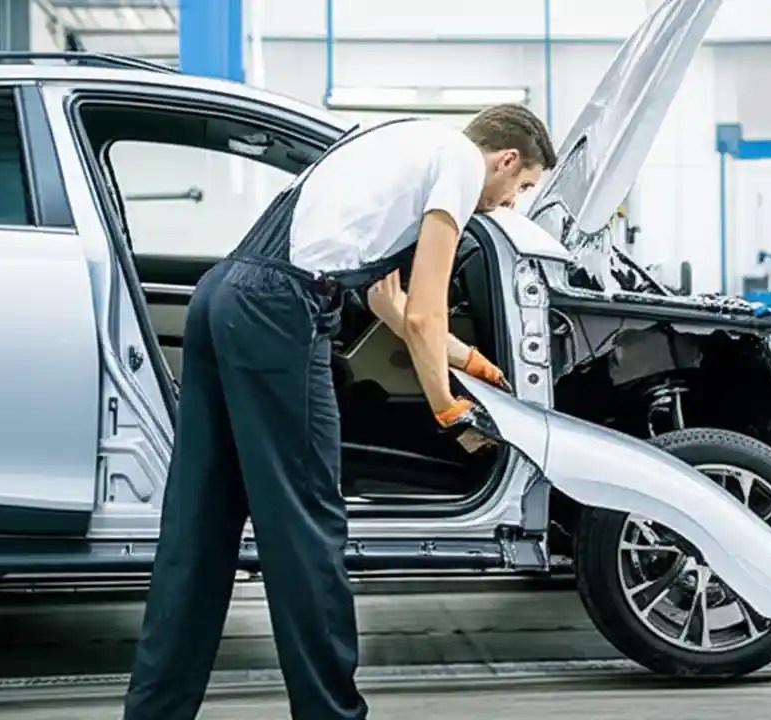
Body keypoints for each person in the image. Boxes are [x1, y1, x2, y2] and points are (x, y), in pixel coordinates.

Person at [122, 104, 557, 720]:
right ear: (506, 159)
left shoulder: (400, 141)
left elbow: (392, 304)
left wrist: (474, 363)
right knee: (306, 531)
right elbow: (429, 313)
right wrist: (450, 414)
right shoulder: (460, 164)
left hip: (222, 296)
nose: (512, 204)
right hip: (278, 311)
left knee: (199, 528)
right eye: (522, 188)